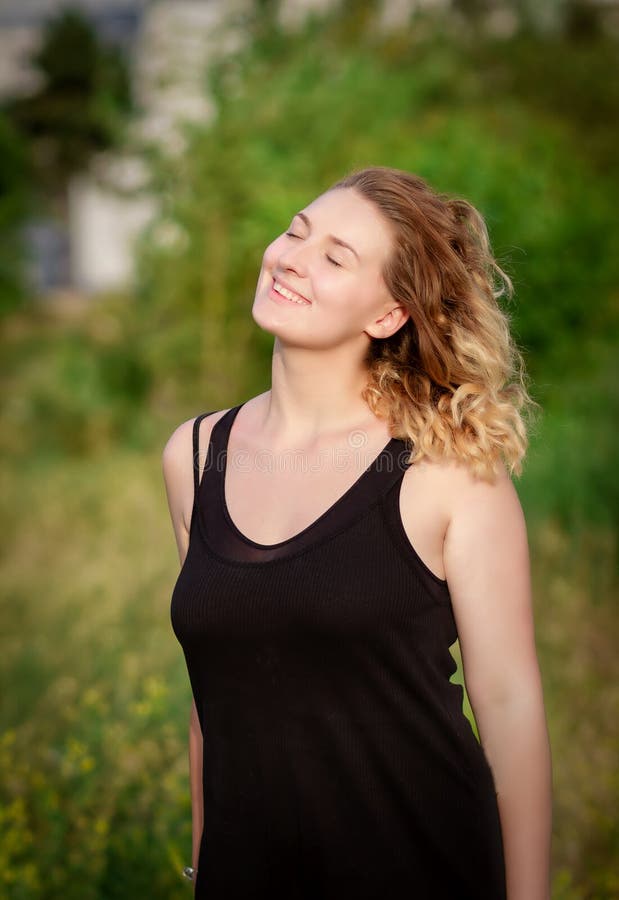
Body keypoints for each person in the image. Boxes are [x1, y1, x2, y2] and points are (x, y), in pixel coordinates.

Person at [162, 165, 552, 899]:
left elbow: (509, 708)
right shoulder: (192, 456)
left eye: (335, 258)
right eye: (295, 232)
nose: (291, 258)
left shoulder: (446, 472)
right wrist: (204, 866)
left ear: (386, 315)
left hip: (421, 864)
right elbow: (212, 690)